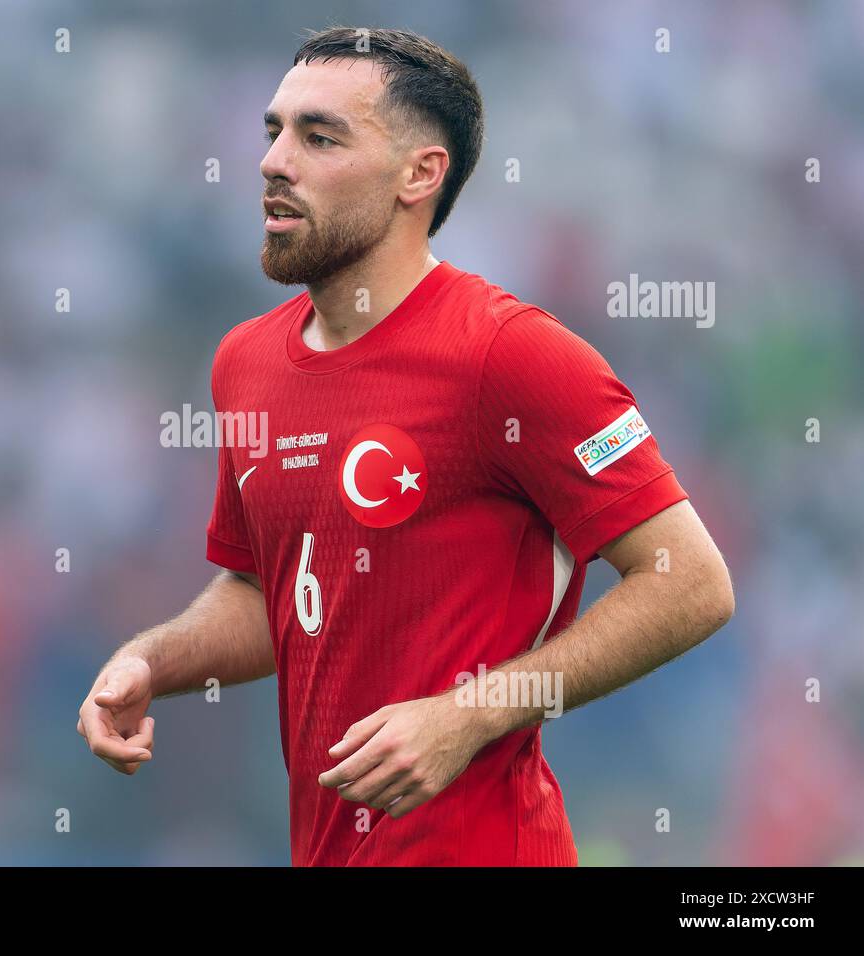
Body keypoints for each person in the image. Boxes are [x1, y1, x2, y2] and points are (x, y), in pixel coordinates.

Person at [77, 26, 735, 866]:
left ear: (419, 175)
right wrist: (150, 661)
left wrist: (468, 714)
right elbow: (269, 593)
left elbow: (693, 584)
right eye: (273, 131)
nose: (276, 161)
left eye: (319, 137)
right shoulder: (244, 363)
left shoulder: (512, 355)